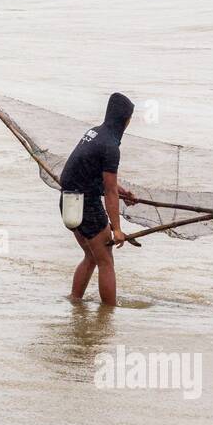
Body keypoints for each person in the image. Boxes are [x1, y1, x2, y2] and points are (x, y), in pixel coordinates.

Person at [59, 92, 138, 306]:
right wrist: (118, 229)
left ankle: (75, 304)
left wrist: (124, 192)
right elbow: (109, 190)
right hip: (87, 207)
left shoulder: (94, 133)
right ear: (125, 119)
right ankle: (108, 315)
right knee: (106, 261)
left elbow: (97, 176)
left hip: (68, 202)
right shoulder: (111, 146)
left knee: (91, 256)